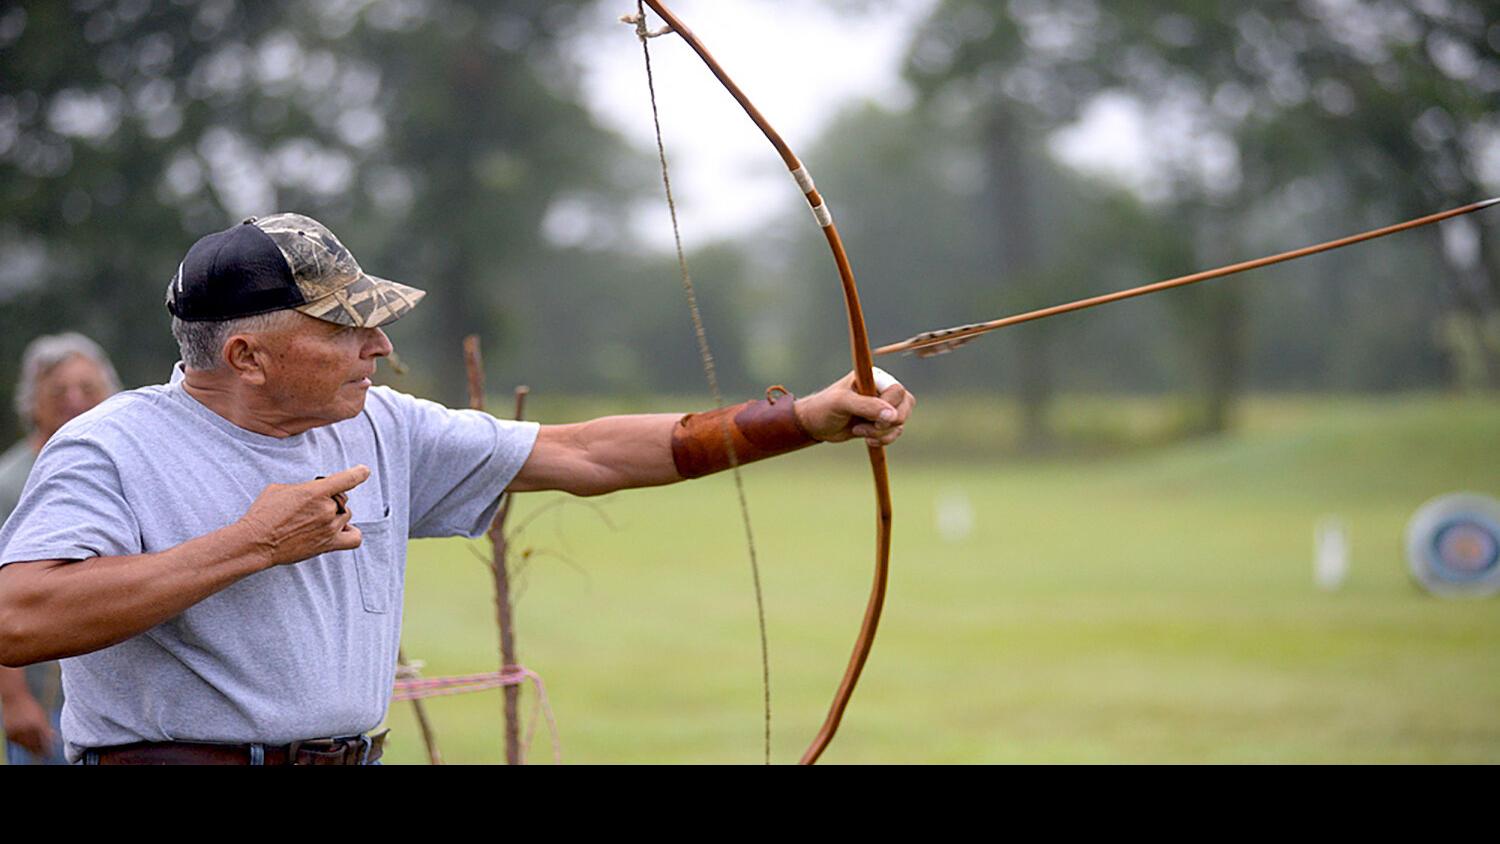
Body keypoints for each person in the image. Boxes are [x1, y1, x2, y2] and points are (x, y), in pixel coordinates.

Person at [0, 213, 913, 765]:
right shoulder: (110, 447)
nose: (380, 347)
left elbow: (586, 452)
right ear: (247, 355)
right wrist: (252, 545)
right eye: (348, 329)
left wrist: (798, 421)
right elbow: (19, 620)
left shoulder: (383, 424)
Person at [0, 333, 121, 765]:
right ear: (32, 402)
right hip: (48, 697)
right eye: (58, 391)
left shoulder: (118, 461)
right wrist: (13, 700)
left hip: (118, 699)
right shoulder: (13, 481)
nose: (75, 400)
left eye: (87, 388)